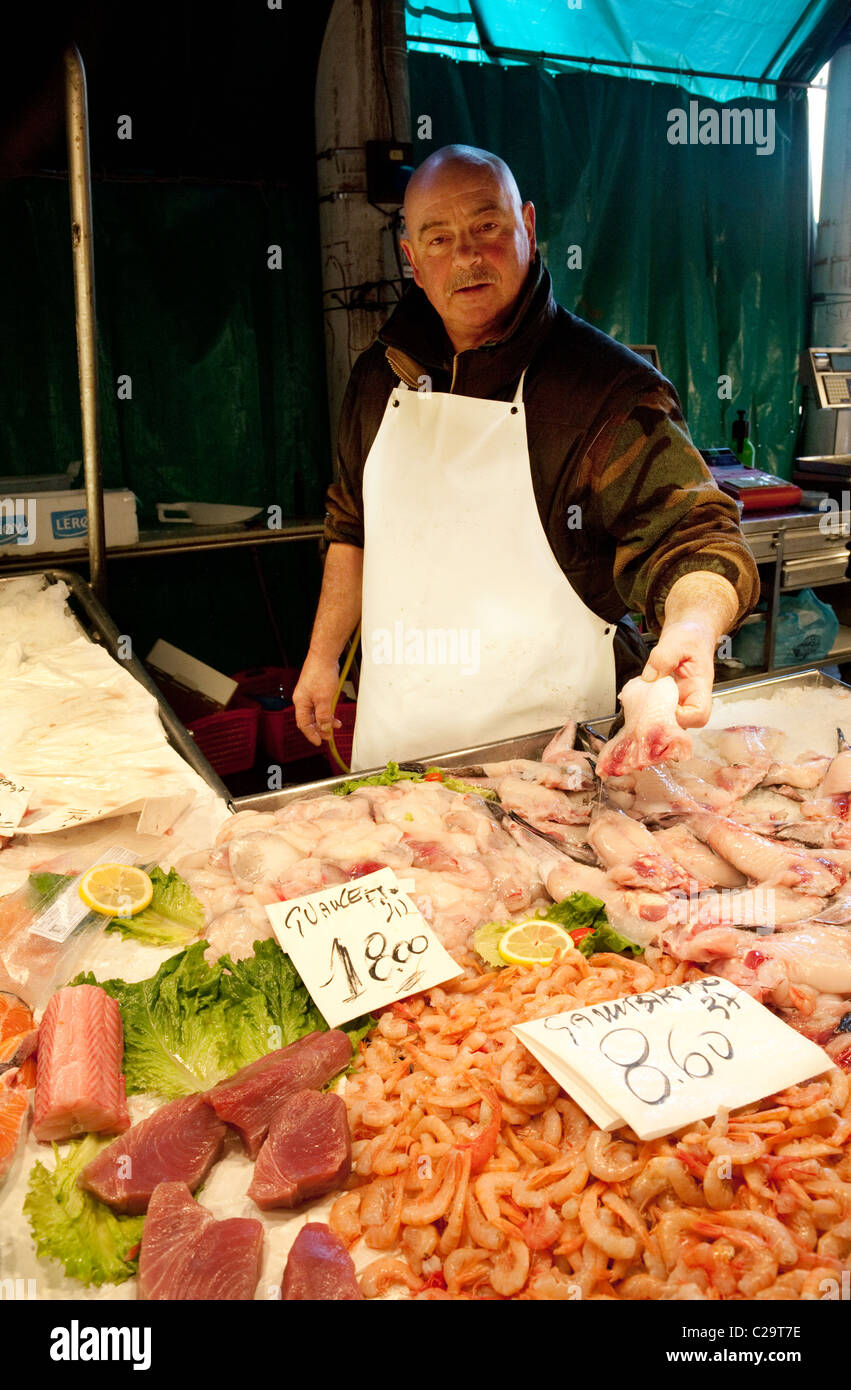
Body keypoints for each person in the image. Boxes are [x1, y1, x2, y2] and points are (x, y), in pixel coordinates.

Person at [294, 144, 759, 771]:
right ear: (412, 260)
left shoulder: (606, 392)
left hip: (555, 771)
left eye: (488, 226)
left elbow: (694, 536)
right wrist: (324, 658)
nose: (466, 255)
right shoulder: (378, 377)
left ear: (529, 227)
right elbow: (352, 526)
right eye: (438, 238)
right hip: (397, 753)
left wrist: (693, 627)